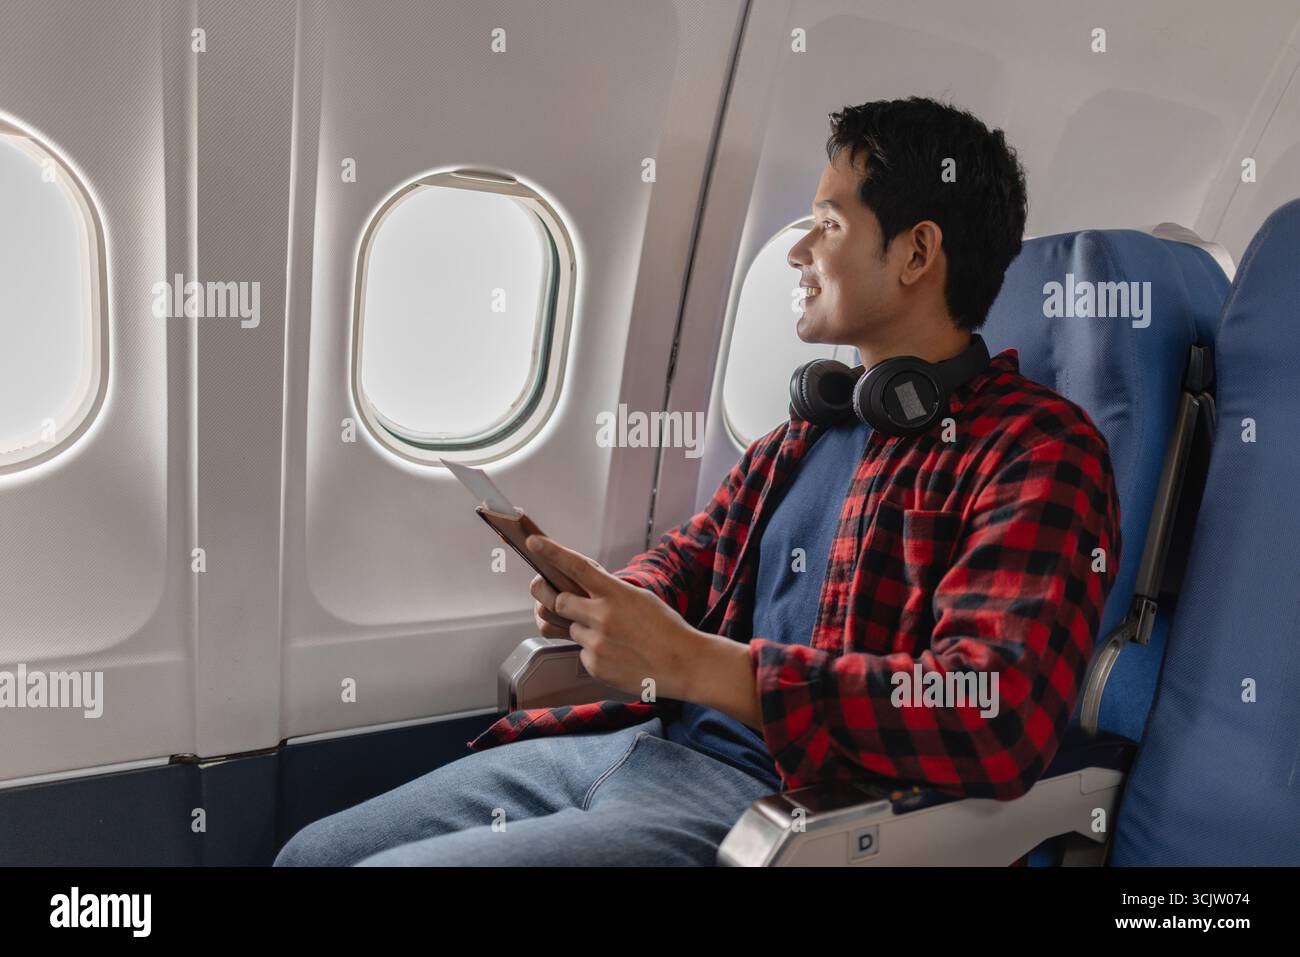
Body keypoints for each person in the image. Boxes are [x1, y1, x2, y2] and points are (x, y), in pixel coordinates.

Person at [275, 96, 1121, 867]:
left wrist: (697, 663)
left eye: (825, 224)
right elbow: (691, 559)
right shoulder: (811, 428)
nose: (797, 249)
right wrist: (605, 598)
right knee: (311, 855)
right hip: (635, 742)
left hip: (787, 811)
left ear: (917, 251)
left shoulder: (1037, 450)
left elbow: (992, 710)